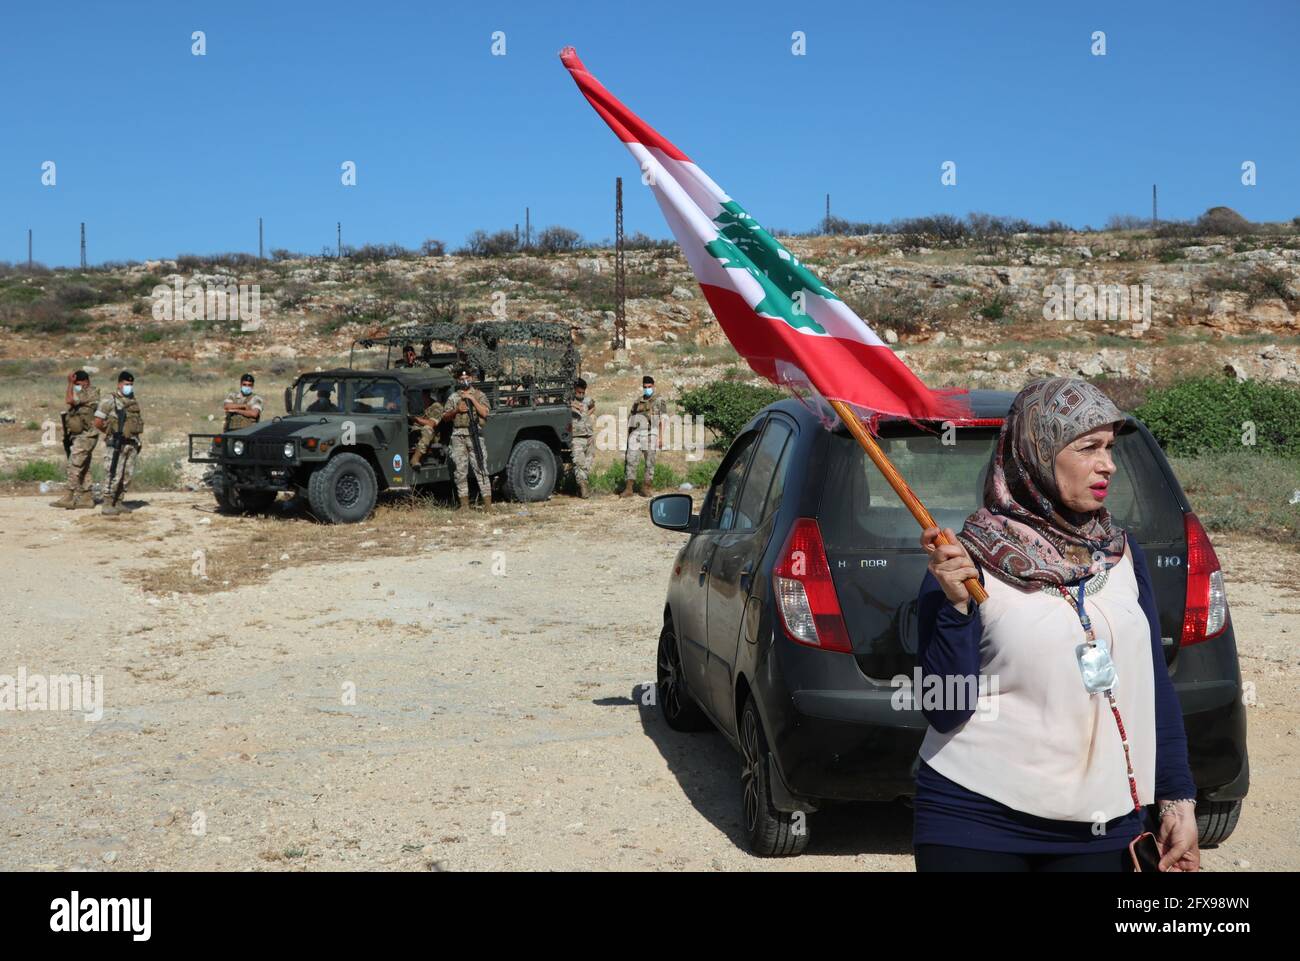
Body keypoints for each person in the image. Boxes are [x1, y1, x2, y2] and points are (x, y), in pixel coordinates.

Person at [913, 377, 1200, 873]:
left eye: (1109, 447)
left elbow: (1152, 684)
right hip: (976, 818)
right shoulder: (966, 561)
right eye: (1089, 447)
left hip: (1103, 824)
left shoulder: (1122, 555)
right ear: (1037, 455)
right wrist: (956, 609)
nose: (1108, 464)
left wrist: (1176, 799)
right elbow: (945, 709)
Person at [94, 370, 145, 516]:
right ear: (119, 384)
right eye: (126, 384)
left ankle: (119, 501)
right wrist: (111, 432)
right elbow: (98, 422)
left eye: (131, 384)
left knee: (127, 474)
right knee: (113, 473)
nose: (129, 387)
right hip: (117, 443)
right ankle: (108, 503)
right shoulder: (109, 399)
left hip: (131, 443)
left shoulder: (132, 400)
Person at [441, 366, 491, 510]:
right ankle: (464, 505)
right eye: (462, 379)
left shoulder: (479, 395)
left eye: (467, 378)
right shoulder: (454, 397)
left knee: (481, 467)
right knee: (460, 471)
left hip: (475, 435)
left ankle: (488, 504)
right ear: (458, 380)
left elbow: (485, 413)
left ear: (471, 378)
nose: (464, 381)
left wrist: (471, 399)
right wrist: (457, 410)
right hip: (458, 435)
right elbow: (444, 417)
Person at [50, 370, 100, 509]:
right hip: (80, 436)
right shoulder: (82, 393)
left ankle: (69, 496)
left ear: (86, 381)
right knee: (83, 466)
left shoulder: (90, 393)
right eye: (75, 383)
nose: (76, 386)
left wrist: (70, 383)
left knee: (74, 465)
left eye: (78, 383)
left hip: (86, 436)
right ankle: (87, 497)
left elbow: (69, 400)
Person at [621, 375, 665, 497]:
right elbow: (631, 419)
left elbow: (663, 420)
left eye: (649, 387)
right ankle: (629, 488)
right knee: (631, 460)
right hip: (636, 434)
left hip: (651, 433)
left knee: (649, 462)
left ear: (653, 386)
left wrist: (661, 438)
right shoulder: (637, 401)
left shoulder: (659, 400)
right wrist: (629, 436)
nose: (647, 389)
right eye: (645, 387)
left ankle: (646, 488)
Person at [569, 377, 596, 498]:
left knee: (589, 460)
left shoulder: (588, 400)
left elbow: (593, 406)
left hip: (589, 435)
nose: (581, 395)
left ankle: (582, 483)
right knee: (579, 462)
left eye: (583, 393)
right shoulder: (568, 400)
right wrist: (573, 406)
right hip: (576, 436)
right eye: (578, 392)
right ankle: (583, 487)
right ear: (574, 390)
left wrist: (586, 415)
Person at [409, 391, 445, 469]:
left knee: (427, 429)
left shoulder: (436, 406)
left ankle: (415, 458)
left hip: (432, 435)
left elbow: (431, 424)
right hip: (416, 431)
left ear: (427, 395)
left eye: (421, 395)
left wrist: (415, 419)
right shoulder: (418, 406)